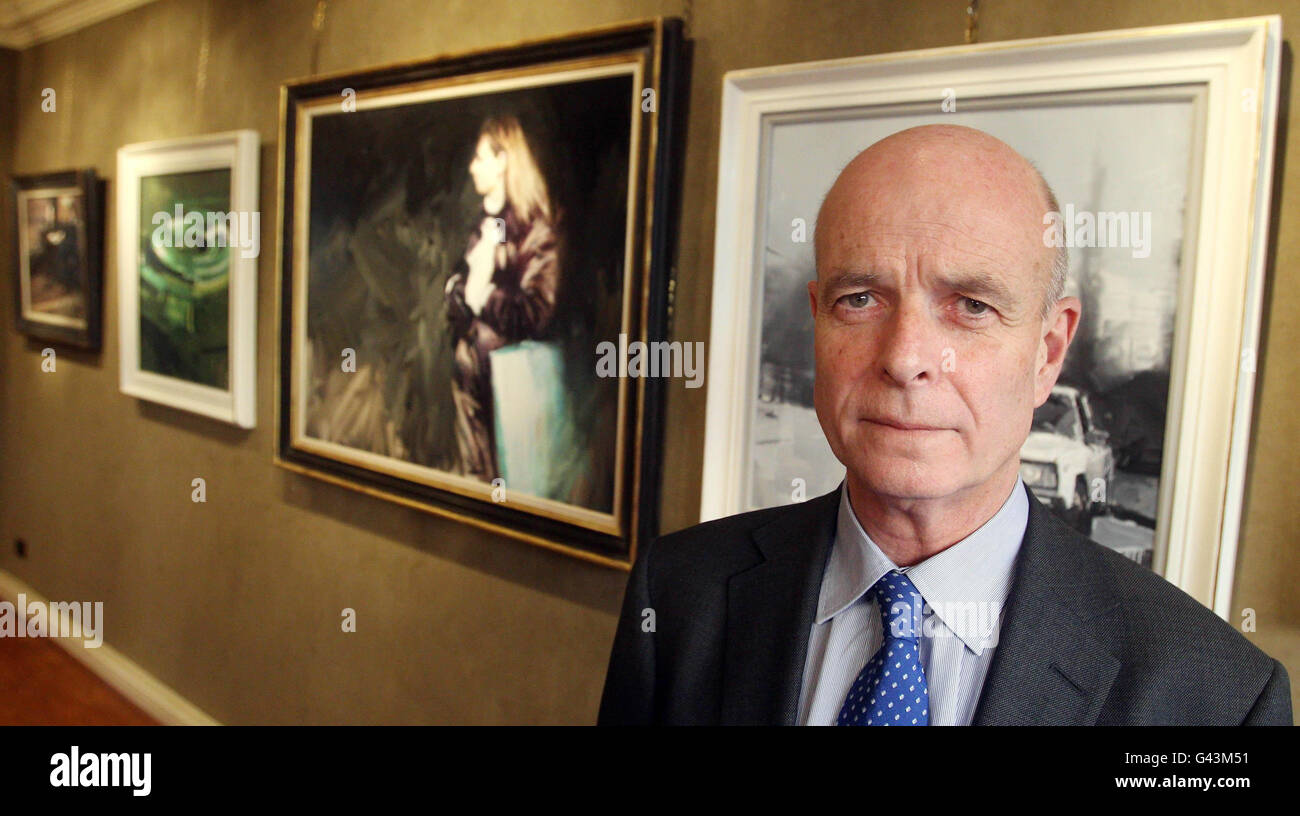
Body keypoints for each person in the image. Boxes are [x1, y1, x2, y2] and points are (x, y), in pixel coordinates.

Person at [597, 124, 1292, 725]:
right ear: (818, 319)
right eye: (861, 298)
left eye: (971, 306)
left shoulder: (1216, 698)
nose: (904, 359)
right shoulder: (680, 596)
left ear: (1049, 351)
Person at [444, 115, 559, 482]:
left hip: (513, 393)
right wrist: (461, 294)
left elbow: (535, 314)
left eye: (480, 157)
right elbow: (457, 296)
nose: (471, 166)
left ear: (503, 160)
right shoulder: (483, 225)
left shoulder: (536, 230)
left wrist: (481, 296)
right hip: (472, 392)